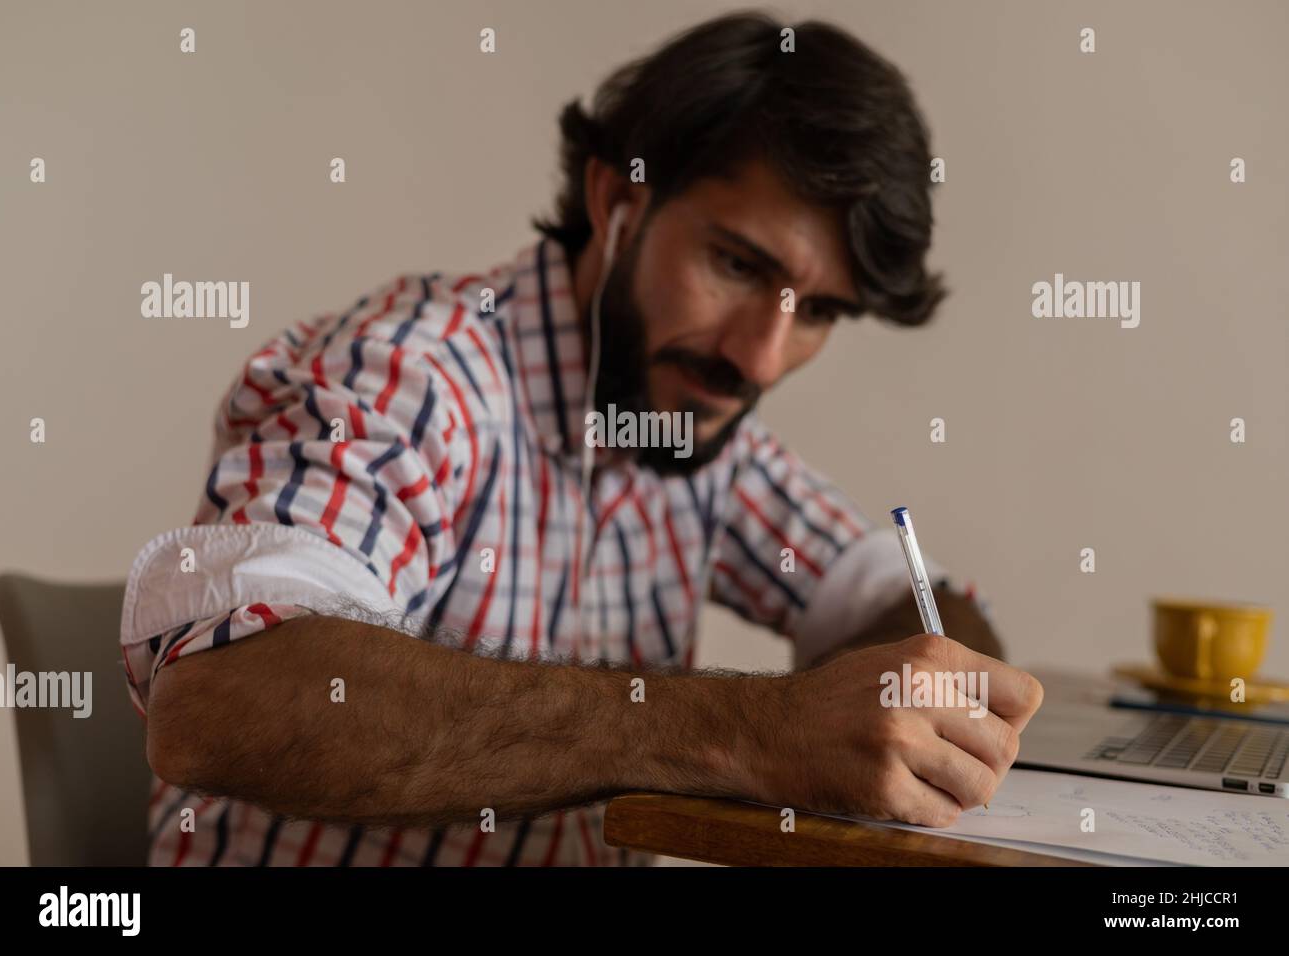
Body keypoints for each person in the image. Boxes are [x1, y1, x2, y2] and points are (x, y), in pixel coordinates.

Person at [121, 10, 1042, 867]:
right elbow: (220, 696)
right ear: (617, 201)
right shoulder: (407, 377)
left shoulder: (688, 421)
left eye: (820, 312)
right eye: (735, 265)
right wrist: (758, 732)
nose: (760, 358)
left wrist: (930, 689)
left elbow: (902, 597)